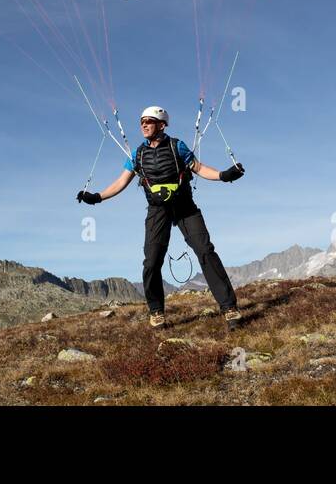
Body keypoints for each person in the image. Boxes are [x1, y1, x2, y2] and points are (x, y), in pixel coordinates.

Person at [78, 106, 245, 330]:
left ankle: (229, 308)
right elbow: (120, 183)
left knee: (205, 251)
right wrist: (97, 197)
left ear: (162, 124)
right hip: (157, 210)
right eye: (141, 121)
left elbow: (200, 168)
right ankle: (156, 312)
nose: (144, 125)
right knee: (152, 260)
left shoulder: (177, 146)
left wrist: (224, 176)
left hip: (185, 207)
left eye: (149, 121)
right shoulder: (137, 154)